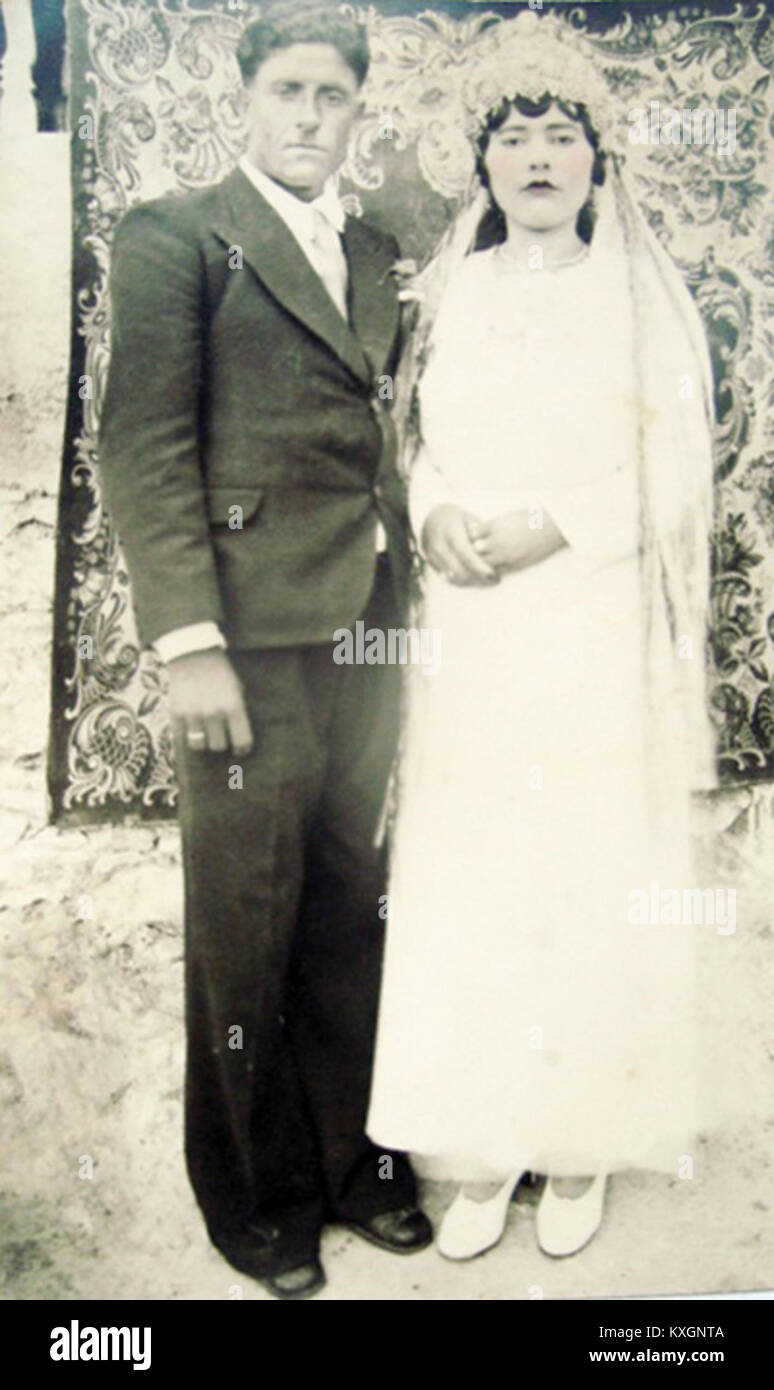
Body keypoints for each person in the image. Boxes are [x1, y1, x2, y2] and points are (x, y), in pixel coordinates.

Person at [367, 11, 716, 1262]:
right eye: (513, 137)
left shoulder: (632, 296)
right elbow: (415, 439)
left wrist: (553, 525)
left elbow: (672, 465)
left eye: (559, 135)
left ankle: (578, 1139)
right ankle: (485, 1136)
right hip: (471, 631)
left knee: (578, 862)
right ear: (484, 164)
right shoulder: (453, 286)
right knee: (479, 873)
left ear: (595, 159)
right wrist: (441, 510)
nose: (536, 159)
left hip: (586, 619)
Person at [99, 2, 430, 1300]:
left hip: (367, 631)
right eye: (286, 91)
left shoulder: (373, 247)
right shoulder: (177, 237)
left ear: (358, 110)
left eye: (330, 97)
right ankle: (258, 1200)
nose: (307, 117)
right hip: (240, 644)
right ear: (245, 98)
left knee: (352, 900)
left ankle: (354, 1165)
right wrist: (188, 640)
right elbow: (143, 448)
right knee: (246, 918)